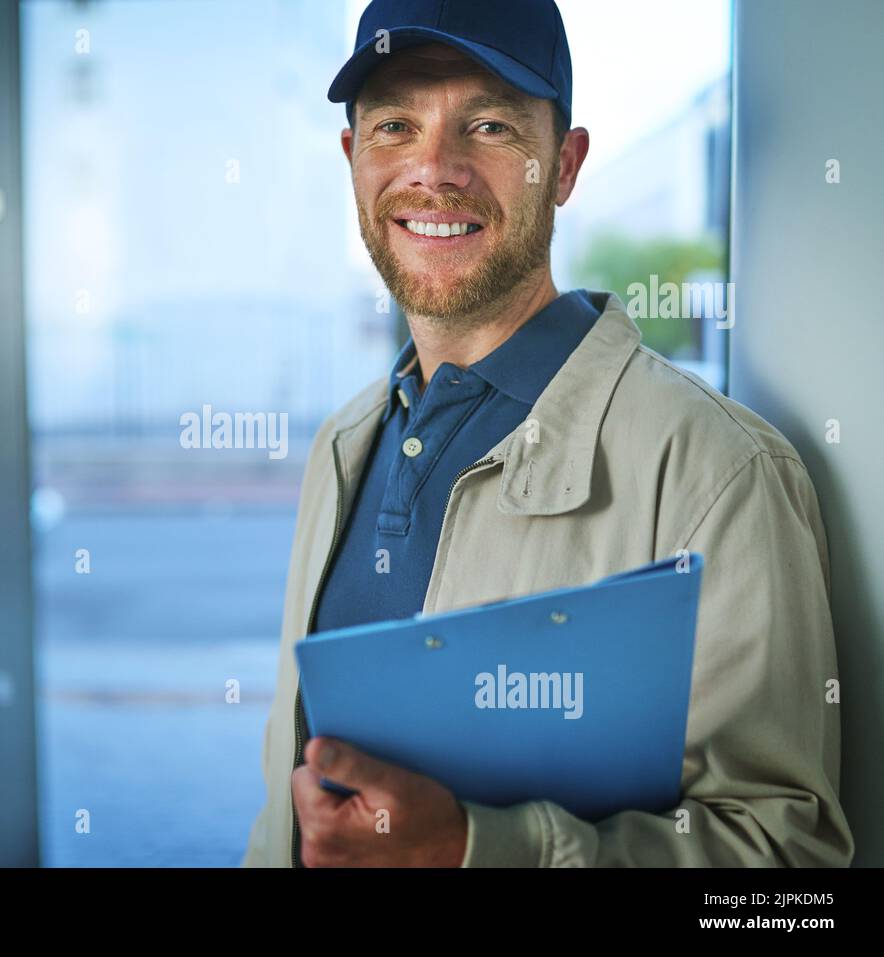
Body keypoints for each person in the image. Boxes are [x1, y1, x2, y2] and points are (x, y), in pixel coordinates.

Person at [240, 0, 853, 867]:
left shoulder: (716, 468)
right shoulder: (342, 446)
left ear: (563, 165)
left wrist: (476, 849)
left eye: (488, 125)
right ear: (353, 159)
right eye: (394, 125)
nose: (435, 169)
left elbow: (787, 883)